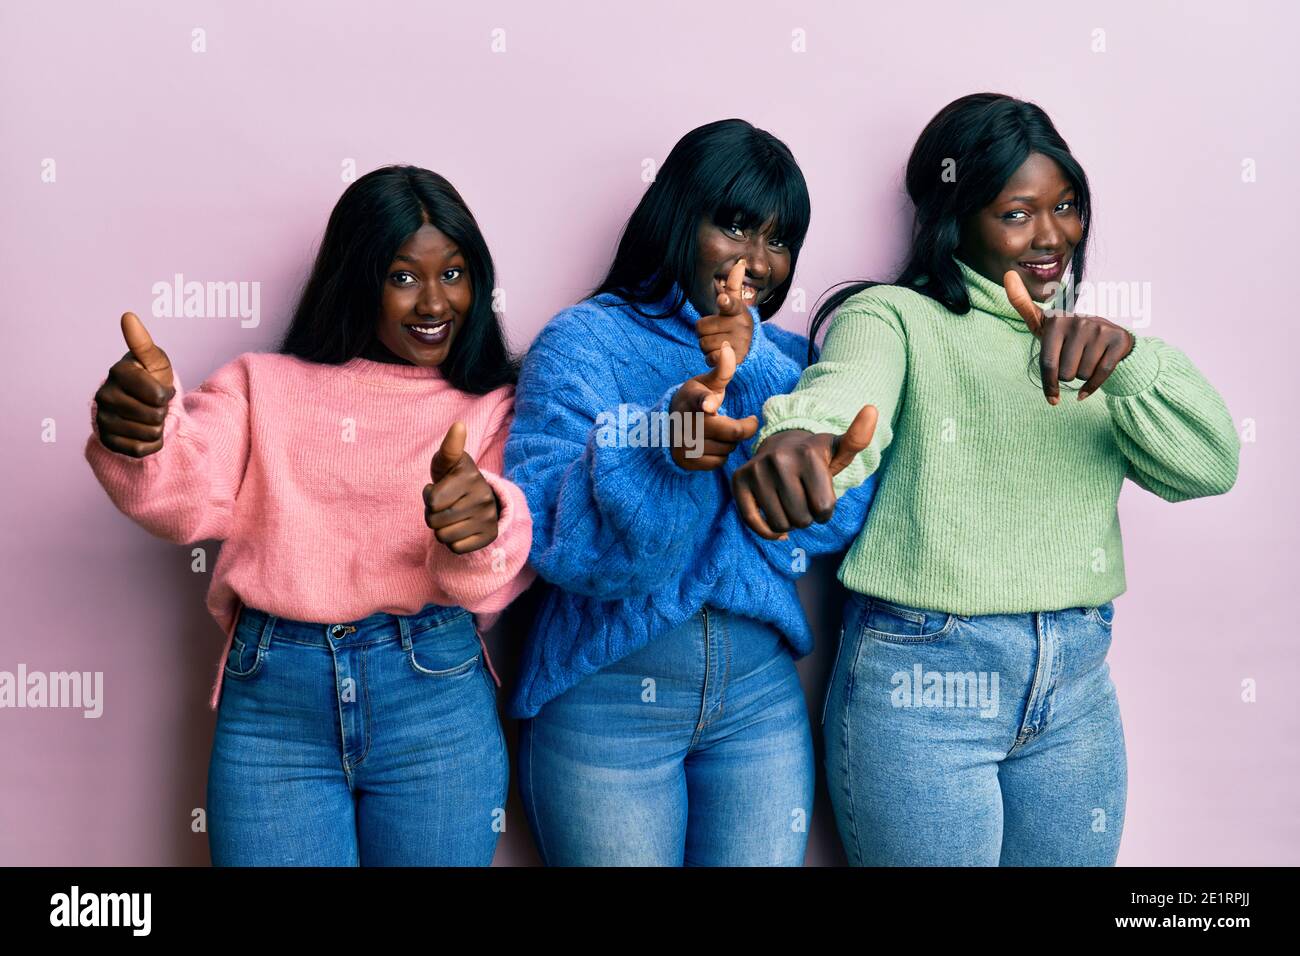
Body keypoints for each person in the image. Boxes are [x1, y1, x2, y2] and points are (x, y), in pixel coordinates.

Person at [734, 93, 1241, 866]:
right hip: (924, 679)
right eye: (1016, 213)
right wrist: (804, 438)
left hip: (1074, 687)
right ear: (956, 217)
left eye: (1067, 205)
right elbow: (841, 396)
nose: (1053, 236)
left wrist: (1132, 361)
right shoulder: (895, 317)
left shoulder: (1094, 353)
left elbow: (1211, 464)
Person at [84, 165, 534, 866]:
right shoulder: (262, 387)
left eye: (454, 273)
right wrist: (139, 437)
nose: (434, 300)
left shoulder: (491, 405)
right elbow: (179, 498)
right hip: (275, 709)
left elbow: (495, 574)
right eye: (403, 276)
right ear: (357, 278)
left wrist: (477, 529)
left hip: (434, 701)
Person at [504, 119, 878, 866]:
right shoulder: (582, 343)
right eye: (734, 225)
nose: (755, 260)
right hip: (608, 703)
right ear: (679, 214)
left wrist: (755, 369)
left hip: (759, 705)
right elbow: (551, 543)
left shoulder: (795, 363)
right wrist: (661, 448)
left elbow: (833, 528)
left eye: (778, 239)